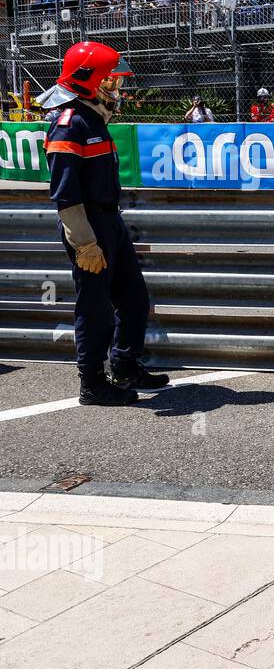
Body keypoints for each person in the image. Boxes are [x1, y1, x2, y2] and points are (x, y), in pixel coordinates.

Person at [37, 41, 168, 406]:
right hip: (88, 227)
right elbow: (65, 195)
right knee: (94, 308)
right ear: (87, 80)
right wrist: (84, 242)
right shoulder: (69, 124)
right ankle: (92, 383)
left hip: (111, 221)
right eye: (110, 81)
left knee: (134, 298)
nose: (116, 88)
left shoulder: (93, 117)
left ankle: (125, 367)